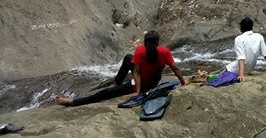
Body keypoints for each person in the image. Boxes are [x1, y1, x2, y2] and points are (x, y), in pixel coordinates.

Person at [55, 31, 185, 106]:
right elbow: (175, 68)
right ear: (157, 42)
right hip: (153, 82)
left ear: (145, 42)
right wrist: (183, 82)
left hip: (140, 85)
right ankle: (118, 82)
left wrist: (137, 92)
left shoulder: (141, 50)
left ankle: (71, 102)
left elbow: (137, 72)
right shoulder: (164, 51)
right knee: (128, 58)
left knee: (104, 94)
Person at [225, 17, 266, 82]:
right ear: (252, 26)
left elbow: (241, 58)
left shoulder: (239, 39)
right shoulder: (259, 37)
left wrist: (241, 75)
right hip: (249, 71)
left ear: (241, 27)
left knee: (217, 74)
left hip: (233, 70)